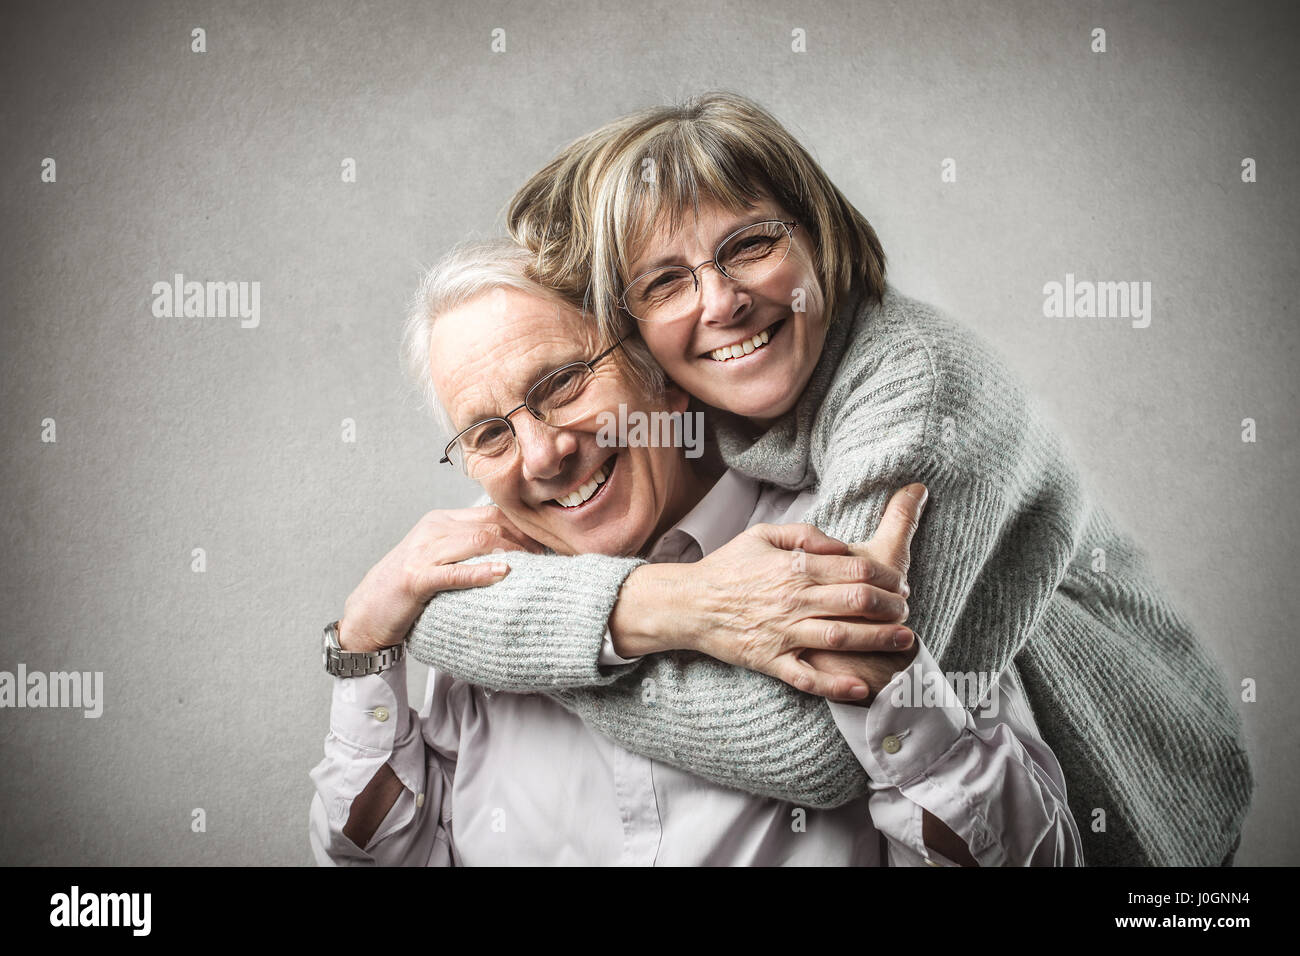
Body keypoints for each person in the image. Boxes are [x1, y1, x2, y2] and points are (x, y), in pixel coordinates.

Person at [401, 93, 1252, 866]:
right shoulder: (703, 409)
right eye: (664, 282)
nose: (721, 301)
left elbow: (812, 742)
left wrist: (538, 640)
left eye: (750, 244)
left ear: (820, 234)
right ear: (632, 331)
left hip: (1145, 814)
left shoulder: (916, 390)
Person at [310, 240, 1081, 865]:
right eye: (488, 434)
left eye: (565, 383)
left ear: (663, 377)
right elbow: (378, 859)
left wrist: (898, 697)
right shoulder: (477, 605)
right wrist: (361, 652)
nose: (542, 455)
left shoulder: (850, 547)